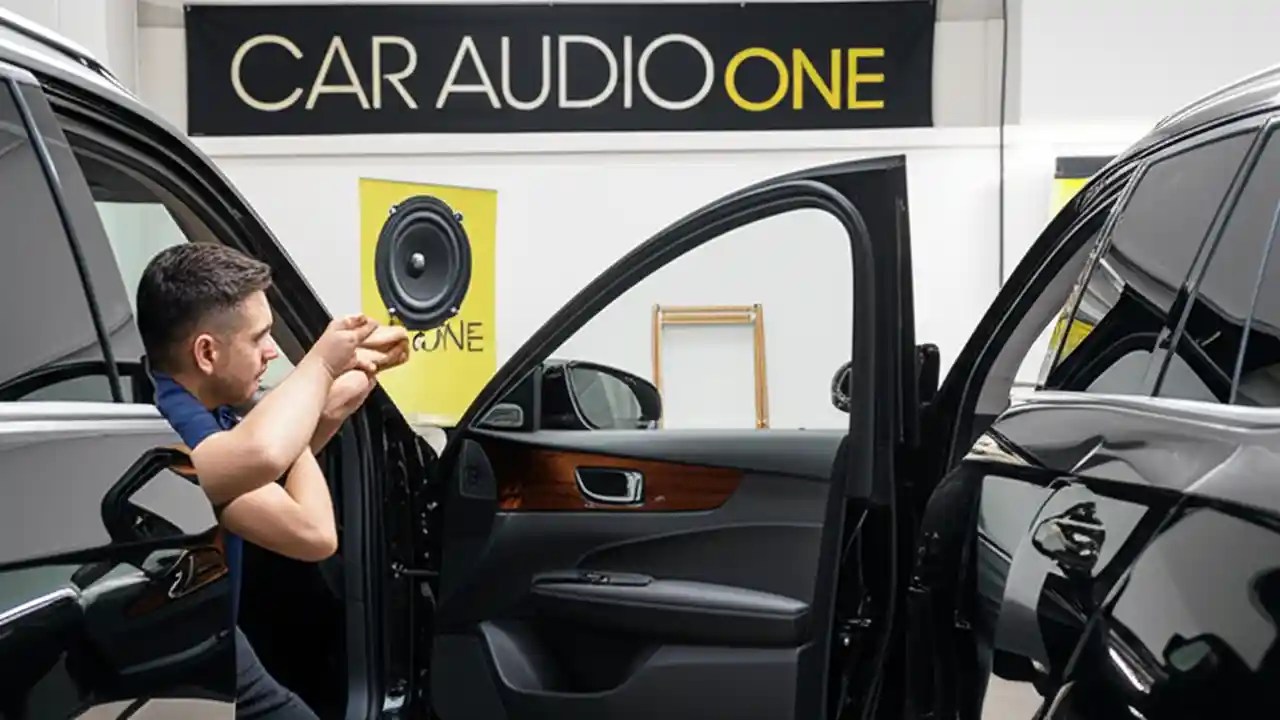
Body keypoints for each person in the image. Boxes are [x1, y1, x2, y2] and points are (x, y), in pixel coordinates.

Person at [135, 243, 409, 718]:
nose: (273, 351)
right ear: (206, 352)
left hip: (197, 638)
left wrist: (342, 385)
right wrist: (317, 373)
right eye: (259, 337)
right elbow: (311, 531)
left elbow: (267, 461)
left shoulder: (187, 404)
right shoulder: (176, 434)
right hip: (188, 655)